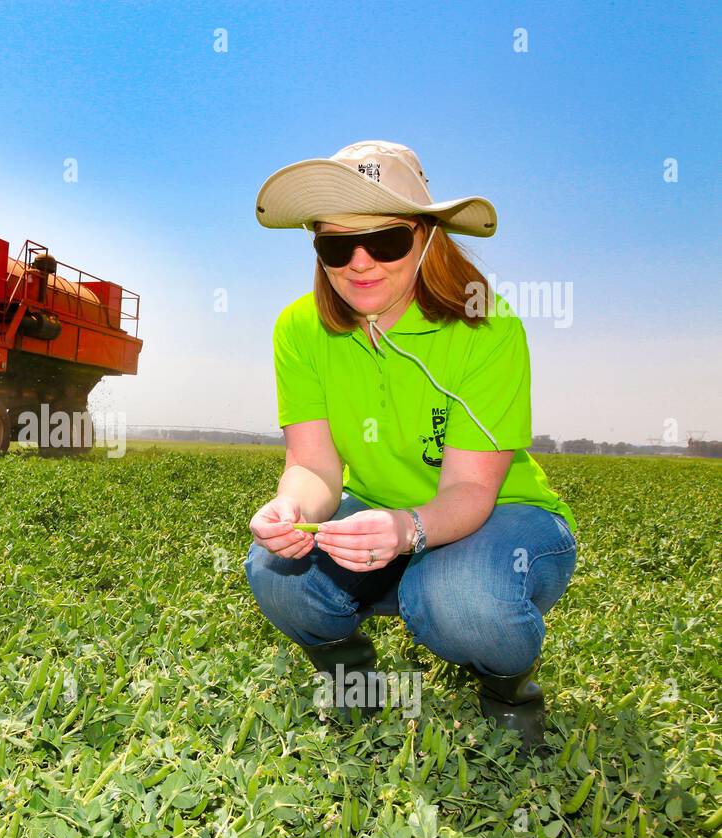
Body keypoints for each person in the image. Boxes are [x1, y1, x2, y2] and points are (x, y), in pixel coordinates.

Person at [243, 141, 577, 754]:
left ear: (425, 238)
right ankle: (355, 680)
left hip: (502, 520)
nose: (360, 263)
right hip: (381, 520)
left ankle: (507, 694)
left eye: (386, 241)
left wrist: (407, 532)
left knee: (458, 596)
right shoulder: (298, 329)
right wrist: (292, 508)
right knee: (272, 569)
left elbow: (471, 490)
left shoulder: (486, 328)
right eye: (337, 244)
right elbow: (313, 465)